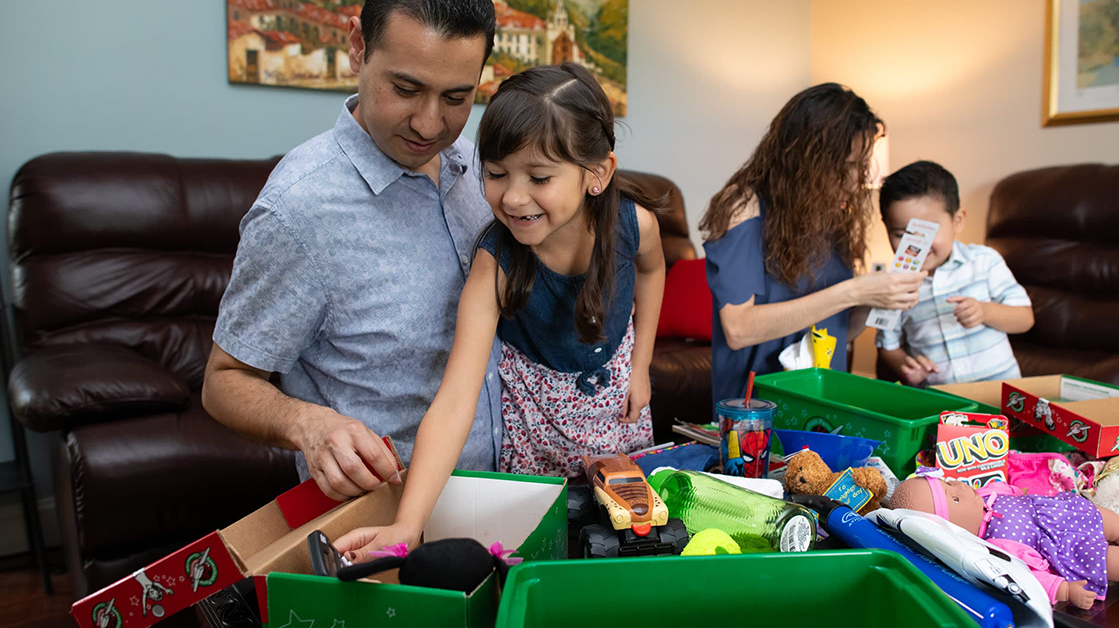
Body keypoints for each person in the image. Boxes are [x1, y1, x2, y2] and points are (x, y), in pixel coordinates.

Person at [335, 63, 666, 559]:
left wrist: (641, 365)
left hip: (618, 406)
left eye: (539, 177)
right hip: (536, 428)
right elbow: (454, 401)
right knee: (550, 550)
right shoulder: (495, 264)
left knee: (632, 536)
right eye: (495, 173)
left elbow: (653, 272)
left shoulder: (635, 224)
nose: (512, 197)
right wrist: (407, 524)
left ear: (597, 173)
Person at [202, 0, 502, 501]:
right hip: (381, 515)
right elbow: (224, 381)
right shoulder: (298, 209)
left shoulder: (479, 170)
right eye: (405, 89)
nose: (430, 125)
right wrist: (310, 425)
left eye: (456, 97)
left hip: (507, 497)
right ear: (358, 45)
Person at [701, 83, 925, 406]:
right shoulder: (743, 206)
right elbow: (738, 329)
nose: (855, 182)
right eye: (846, 167)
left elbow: (838, 332)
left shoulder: (832, 217)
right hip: (755, 413)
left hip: (822, 404)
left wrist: (875, 300)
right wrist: (854, 291)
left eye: (861, 166)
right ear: (805, 159)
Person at [891, 474, 1119, 608]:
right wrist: (1064, 590)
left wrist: (1027, 494)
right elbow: (1025, 576)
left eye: (948, 482)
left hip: (1072, 515)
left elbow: (1015, 492)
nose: (960, 486)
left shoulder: (985, 494)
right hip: (1075, 551)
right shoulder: (995, 546)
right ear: (953, 530)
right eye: (955, 498)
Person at [875, 160, 1034, 386]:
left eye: (928, 230)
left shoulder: (984, 261)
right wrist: (907, 366)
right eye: (901, 234)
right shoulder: (891, 287)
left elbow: (1025, 318)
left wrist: (984, 312)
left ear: (957, 221)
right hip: (940, 399)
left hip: (1000, 394)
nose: (917, 244)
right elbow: (887, 347)